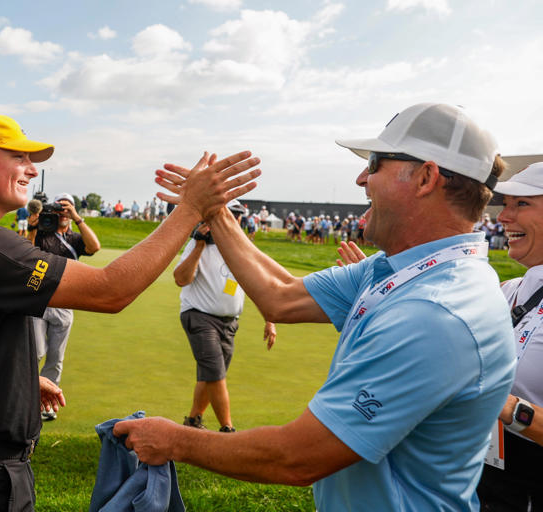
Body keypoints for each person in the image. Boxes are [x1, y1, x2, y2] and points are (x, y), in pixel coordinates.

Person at [114, 103, 517, 511]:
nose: (361, 177)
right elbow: (281, 295)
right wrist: (214, 208)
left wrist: (173, 439)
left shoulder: (437, 312)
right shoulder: (400, 268)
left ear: (427, 177)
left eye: (375, 163)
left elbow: (297, 456)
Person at [0, 113, 261, 511]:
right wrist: (191, 207)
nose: (31, 168)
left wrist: (13, 381)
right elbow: (111, 291)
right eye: (18, 156)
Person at [475, 162, 543, 511]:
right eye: (506, 203)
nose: (503, 216)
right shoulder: (509, 289)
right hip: (486, 488)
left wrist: (504, 406)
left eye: (522, 204)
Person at [175, 199, 276, 433]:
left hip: (229, 323)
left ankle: (192, 421)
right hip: (199, 316)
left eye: (238, 216)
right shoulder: (198, 244)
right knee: (215, 372)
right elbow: (181, 278)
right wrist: (199, 244)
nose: (235, 220)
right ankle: (227, 430)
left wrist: (269, 319)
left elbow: (255, 286)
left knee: (210, 375)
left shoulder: (241, 249)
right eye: (229, 215)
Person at [31, 192, 101, 421]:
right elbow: (25, 253)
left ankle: (45, 404)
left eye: (66, 208)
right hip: (39, 301)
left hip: (65, 304)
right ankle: (26, 397)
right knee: (36, 351)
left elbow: (95, 247)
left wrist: (77, 217)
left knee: (55, 358)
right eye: (59, 208)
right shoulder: (43, 232)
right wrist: (33, 227)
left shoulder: (74, 238)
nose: (62, 213)